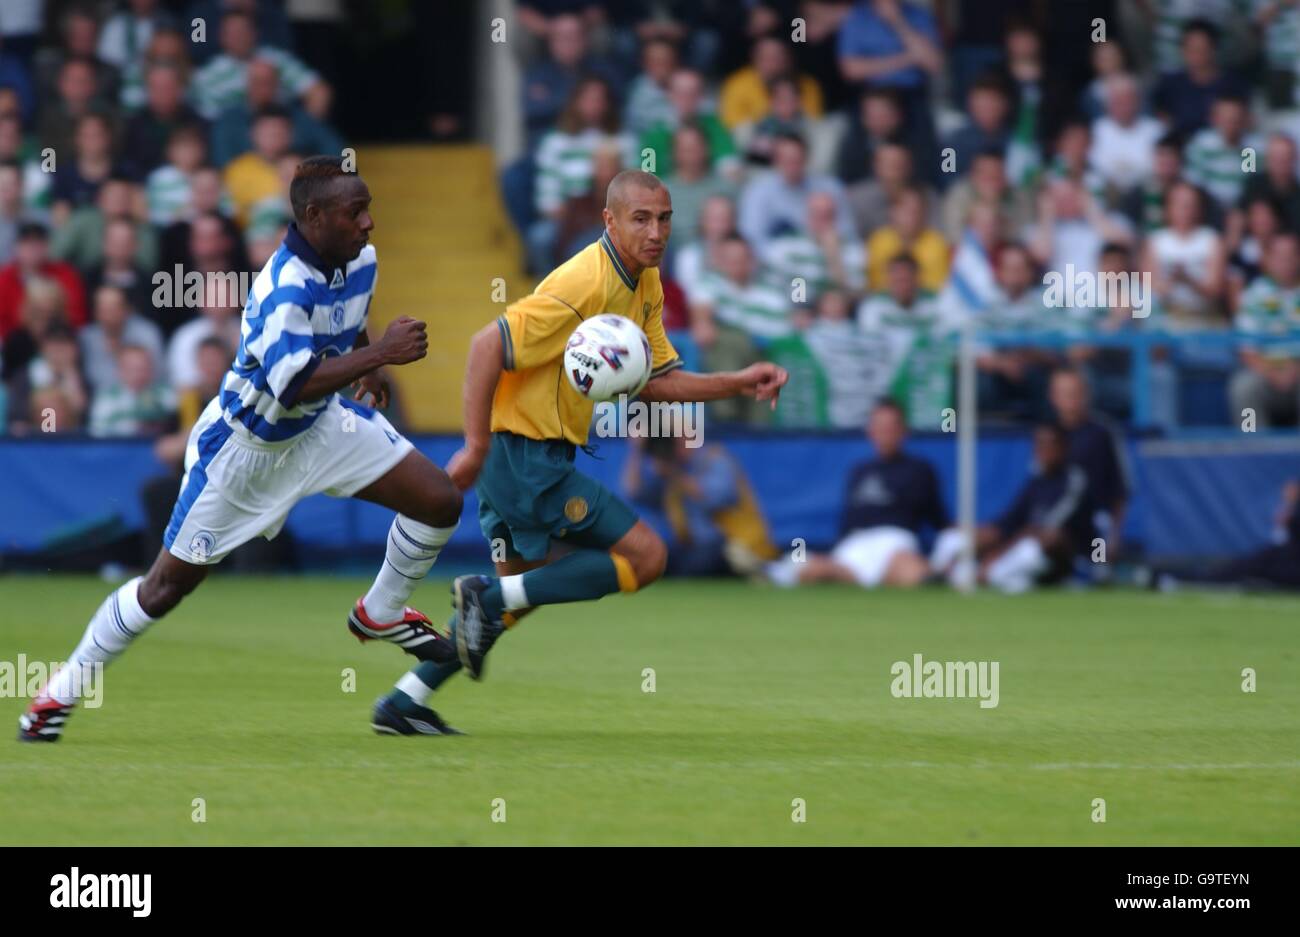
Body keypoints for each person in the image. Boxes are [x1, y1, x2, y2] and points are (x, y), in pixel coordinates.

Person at [19, 156, 466, 742]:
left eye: (368, 209)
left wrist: (367, 360)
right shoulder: (281, 286)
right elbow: (292, 383)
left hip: (322, 428)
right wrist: (380, 353)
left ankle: (379, 611)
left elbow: (347, 318)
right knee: (164, 589)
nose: (369, 224)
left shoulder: (360, 259)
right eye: (356, 212)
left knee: (440, 500)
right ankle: (56, 695)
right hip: (244, 450)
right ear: (313, 216)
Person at [416, 171, 786, 710]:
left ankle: (406, 700)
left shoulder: (647, 280)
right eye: (641, 219)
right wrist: (473, 447)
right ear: (609, 221)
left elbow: (657, 381)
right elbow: (483, 346)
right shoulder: (583, 283)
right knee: (647, 557)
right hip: (524, 453)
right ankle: (485, 595)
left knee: (515, 602)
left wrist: (737, 381)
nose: (656, 231)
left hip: (526, 456)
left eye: (664, 218)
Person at [767, 399, 946, 589]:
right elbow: (848, 522)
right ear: (871, 431)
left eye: (890, 427)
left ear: (903, 431)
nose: (885, 433)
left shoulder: (920, 470)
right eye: (879, 426)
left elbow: (938, 519)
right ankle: (780, 568)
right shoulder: (859, 471)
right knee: (811, 570)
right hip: (855, 546)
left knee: (916, 574)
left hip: (895, 544)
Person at [933, 422, 1096, 593]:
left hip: (1067, 558)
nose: (1043, 450)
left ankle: (991, 576)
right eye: (1039, 444)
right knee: (951, 538)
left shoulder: (1075, 481)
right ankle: (951, 575)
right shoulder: (1036, 482)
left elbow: (1047, 530)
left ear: (1064, 448)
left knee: (1030, 549)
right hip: (1018, 551)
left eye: (1050, 444)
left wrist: (998, 555)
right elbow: (1006, 524)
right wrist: (972, 540)